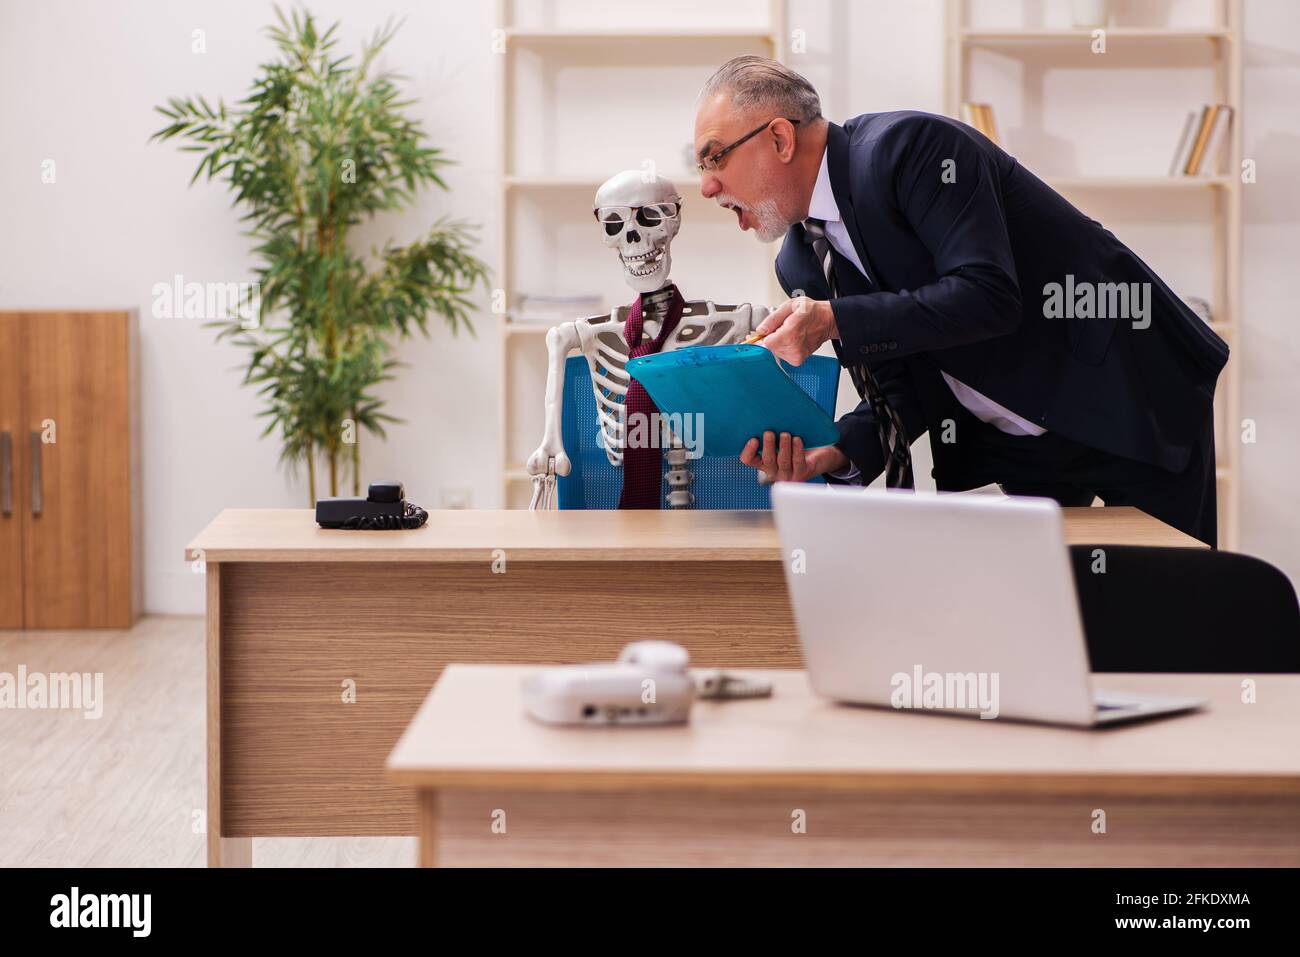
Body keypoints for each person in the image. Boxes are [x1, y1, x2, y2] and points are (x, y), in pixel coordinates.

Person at [693, 56, 1228, 546]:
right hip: (1022, 442)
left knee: (1169, 623)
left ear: (781, 139)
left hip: (1128, 395)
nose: (707, 187)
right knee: (1041, 629)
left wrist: (834, 319)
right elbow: (903, 384)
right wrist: (836, 453)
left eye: (714, 157)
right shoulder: (800, 263)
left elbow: (987, 295)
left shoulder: (913, 149)